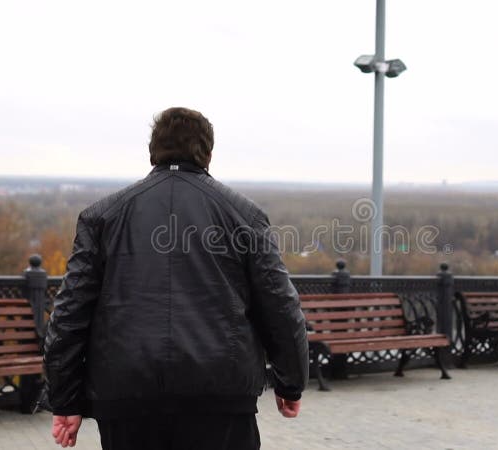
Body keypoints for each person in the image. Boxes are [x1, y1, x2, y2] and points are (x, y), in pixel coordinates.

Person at [43, 107, 309, 449]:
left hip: (127, 400)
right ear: (208, 153)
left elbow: (68, 315)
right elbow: (281, 307)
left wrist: (65, 401)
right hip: (220, 400)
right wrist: (291, 383)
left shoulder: (102, 217)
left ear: (153, 151)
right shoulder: (244, 216)